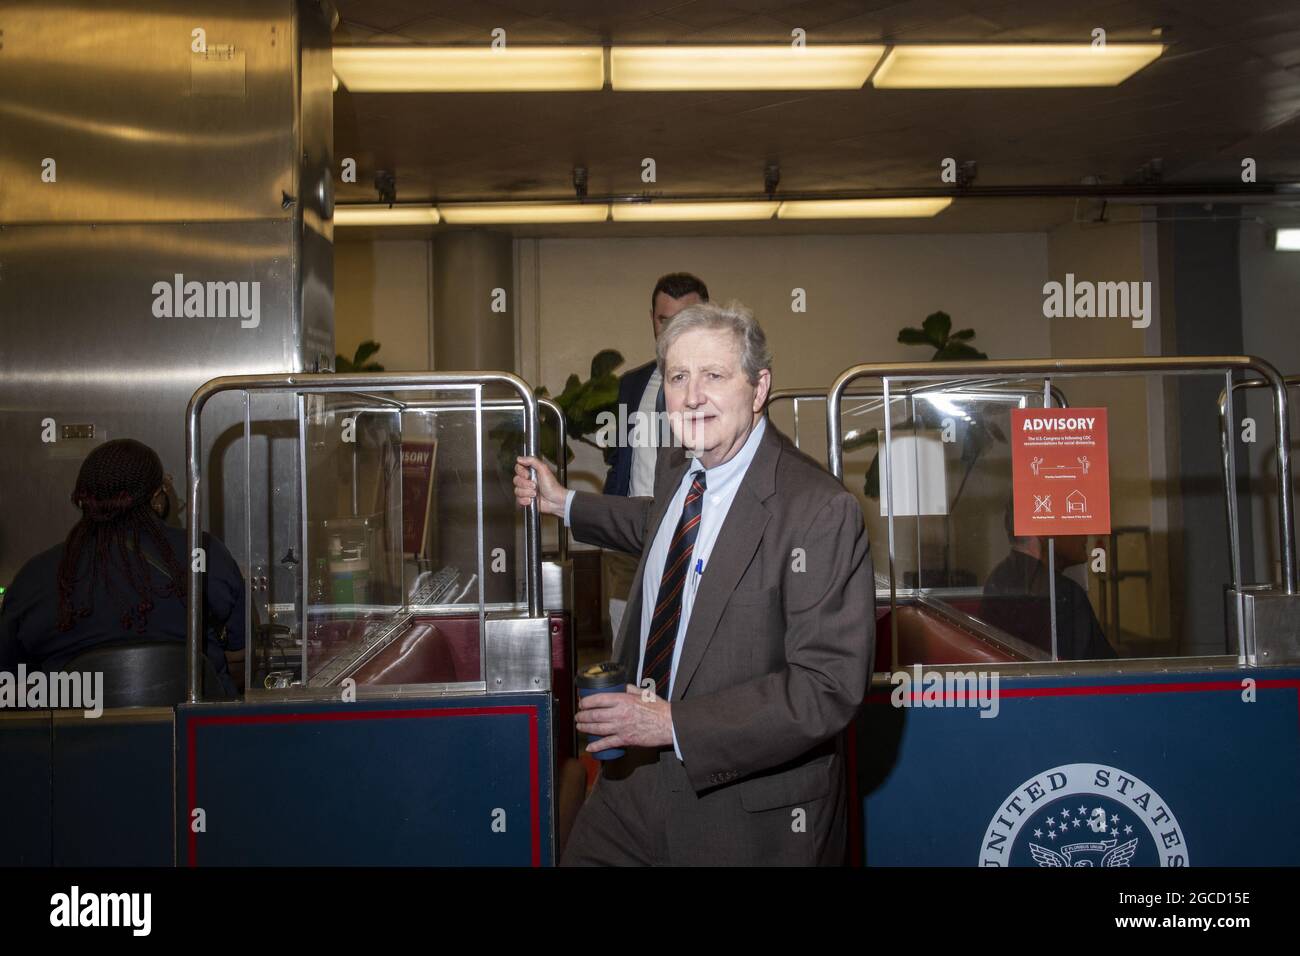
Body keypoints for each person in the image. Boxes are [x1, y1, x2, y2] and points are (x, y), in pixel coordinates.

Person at [515, 300, 874, 865]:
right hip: (631, 786)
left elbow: (826, 688)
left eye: (714, 375)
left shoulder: (818, 509)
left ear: (758, 389)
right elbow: (656, 525)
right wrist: (563, 503)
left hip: (741, 810)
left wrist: (671, 723)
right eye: (679, 376)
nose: (692, 394)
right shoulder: (679, 468)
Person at [0, 438, 246, 696]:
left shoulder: (36, 575)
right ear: (156, 498)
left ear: (85, 501)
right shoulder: (204, 551)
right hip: (198, 731)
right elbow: (241, 652)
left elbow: (10, 679)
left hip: (76, 734)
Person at [601, 273, 710, 649]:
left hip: (696, 536)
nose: (673, 329)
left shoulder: (723, 385)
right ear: (652, 319)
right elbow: (620, 458)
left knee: (689, 647)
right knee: (624, 645)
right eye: (665, 319)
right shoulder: (631, 385)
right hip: (631, 541)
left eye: (686, 317)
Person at [980, 498, 1117, 660]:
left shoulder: (999, 579)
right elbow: (1100, 671)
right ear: (1045, 529)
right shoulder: (1062, 595)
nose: (1085, 531)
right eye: (1073, 519)